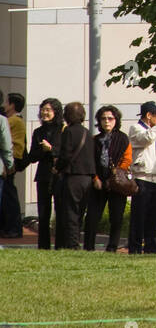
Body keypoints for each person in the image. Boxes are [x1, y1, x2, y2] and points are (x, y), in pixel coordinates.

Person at [84, 105, 131, 252]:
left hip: (117, 183)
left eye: (110, 118)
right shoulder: (95, 140)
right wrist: (95, 178)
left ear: (116, 120)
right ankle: (88, 247)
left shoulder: (123, 138)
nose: (107, 122)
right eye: (103, 119)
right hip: (98, 183)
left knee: (116, 217)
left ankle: (112, 247)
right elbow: (90, 161)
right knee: (92, 217)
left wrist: (114, 177)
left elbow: (127, 160)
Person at [127, 100, 156, 255]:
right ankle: (135, 247)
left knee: (154, 217)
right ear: (148, 115)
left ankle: (151, 248)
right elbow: (147, 138)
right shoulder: (136, 128)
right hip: (142, 177)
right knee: (139, 215)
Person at [55, 102, 95, 249]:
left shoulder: (68, 132)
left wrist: (57, 167)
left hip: (73, 176)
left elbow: (65, 155)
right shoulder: (88, 133)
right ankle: (76, 239)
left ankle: (72, 244)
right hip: (87, 177)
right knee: (81, 212)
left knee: (71, 211)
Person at [25, 98, 63, 250]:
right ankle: (43, 246)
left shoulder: (62, 129)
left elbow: (64, 153)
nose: (44, 113)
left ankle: (59, 245)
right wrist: (43, 150)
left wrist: (51, 149)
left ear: (56, 112)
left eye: (48, 110)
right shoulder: (38, 132)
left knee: (60, 211)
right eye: (43, 109)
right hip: (43, 176)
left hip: (58, 175)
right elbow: (32, 157)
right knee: (43, 213)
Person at [0, 92, 26, 238]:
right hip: (9, 160)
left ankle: (14, 228)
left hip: (8, 162)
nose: (4, 105)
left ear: (12, 105)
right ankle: (10, 227)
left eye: (7, 103)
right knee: (8, 195)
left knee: (9, 196)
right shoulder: (13, 120)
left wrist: (8, 164)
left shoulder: (12, 121)